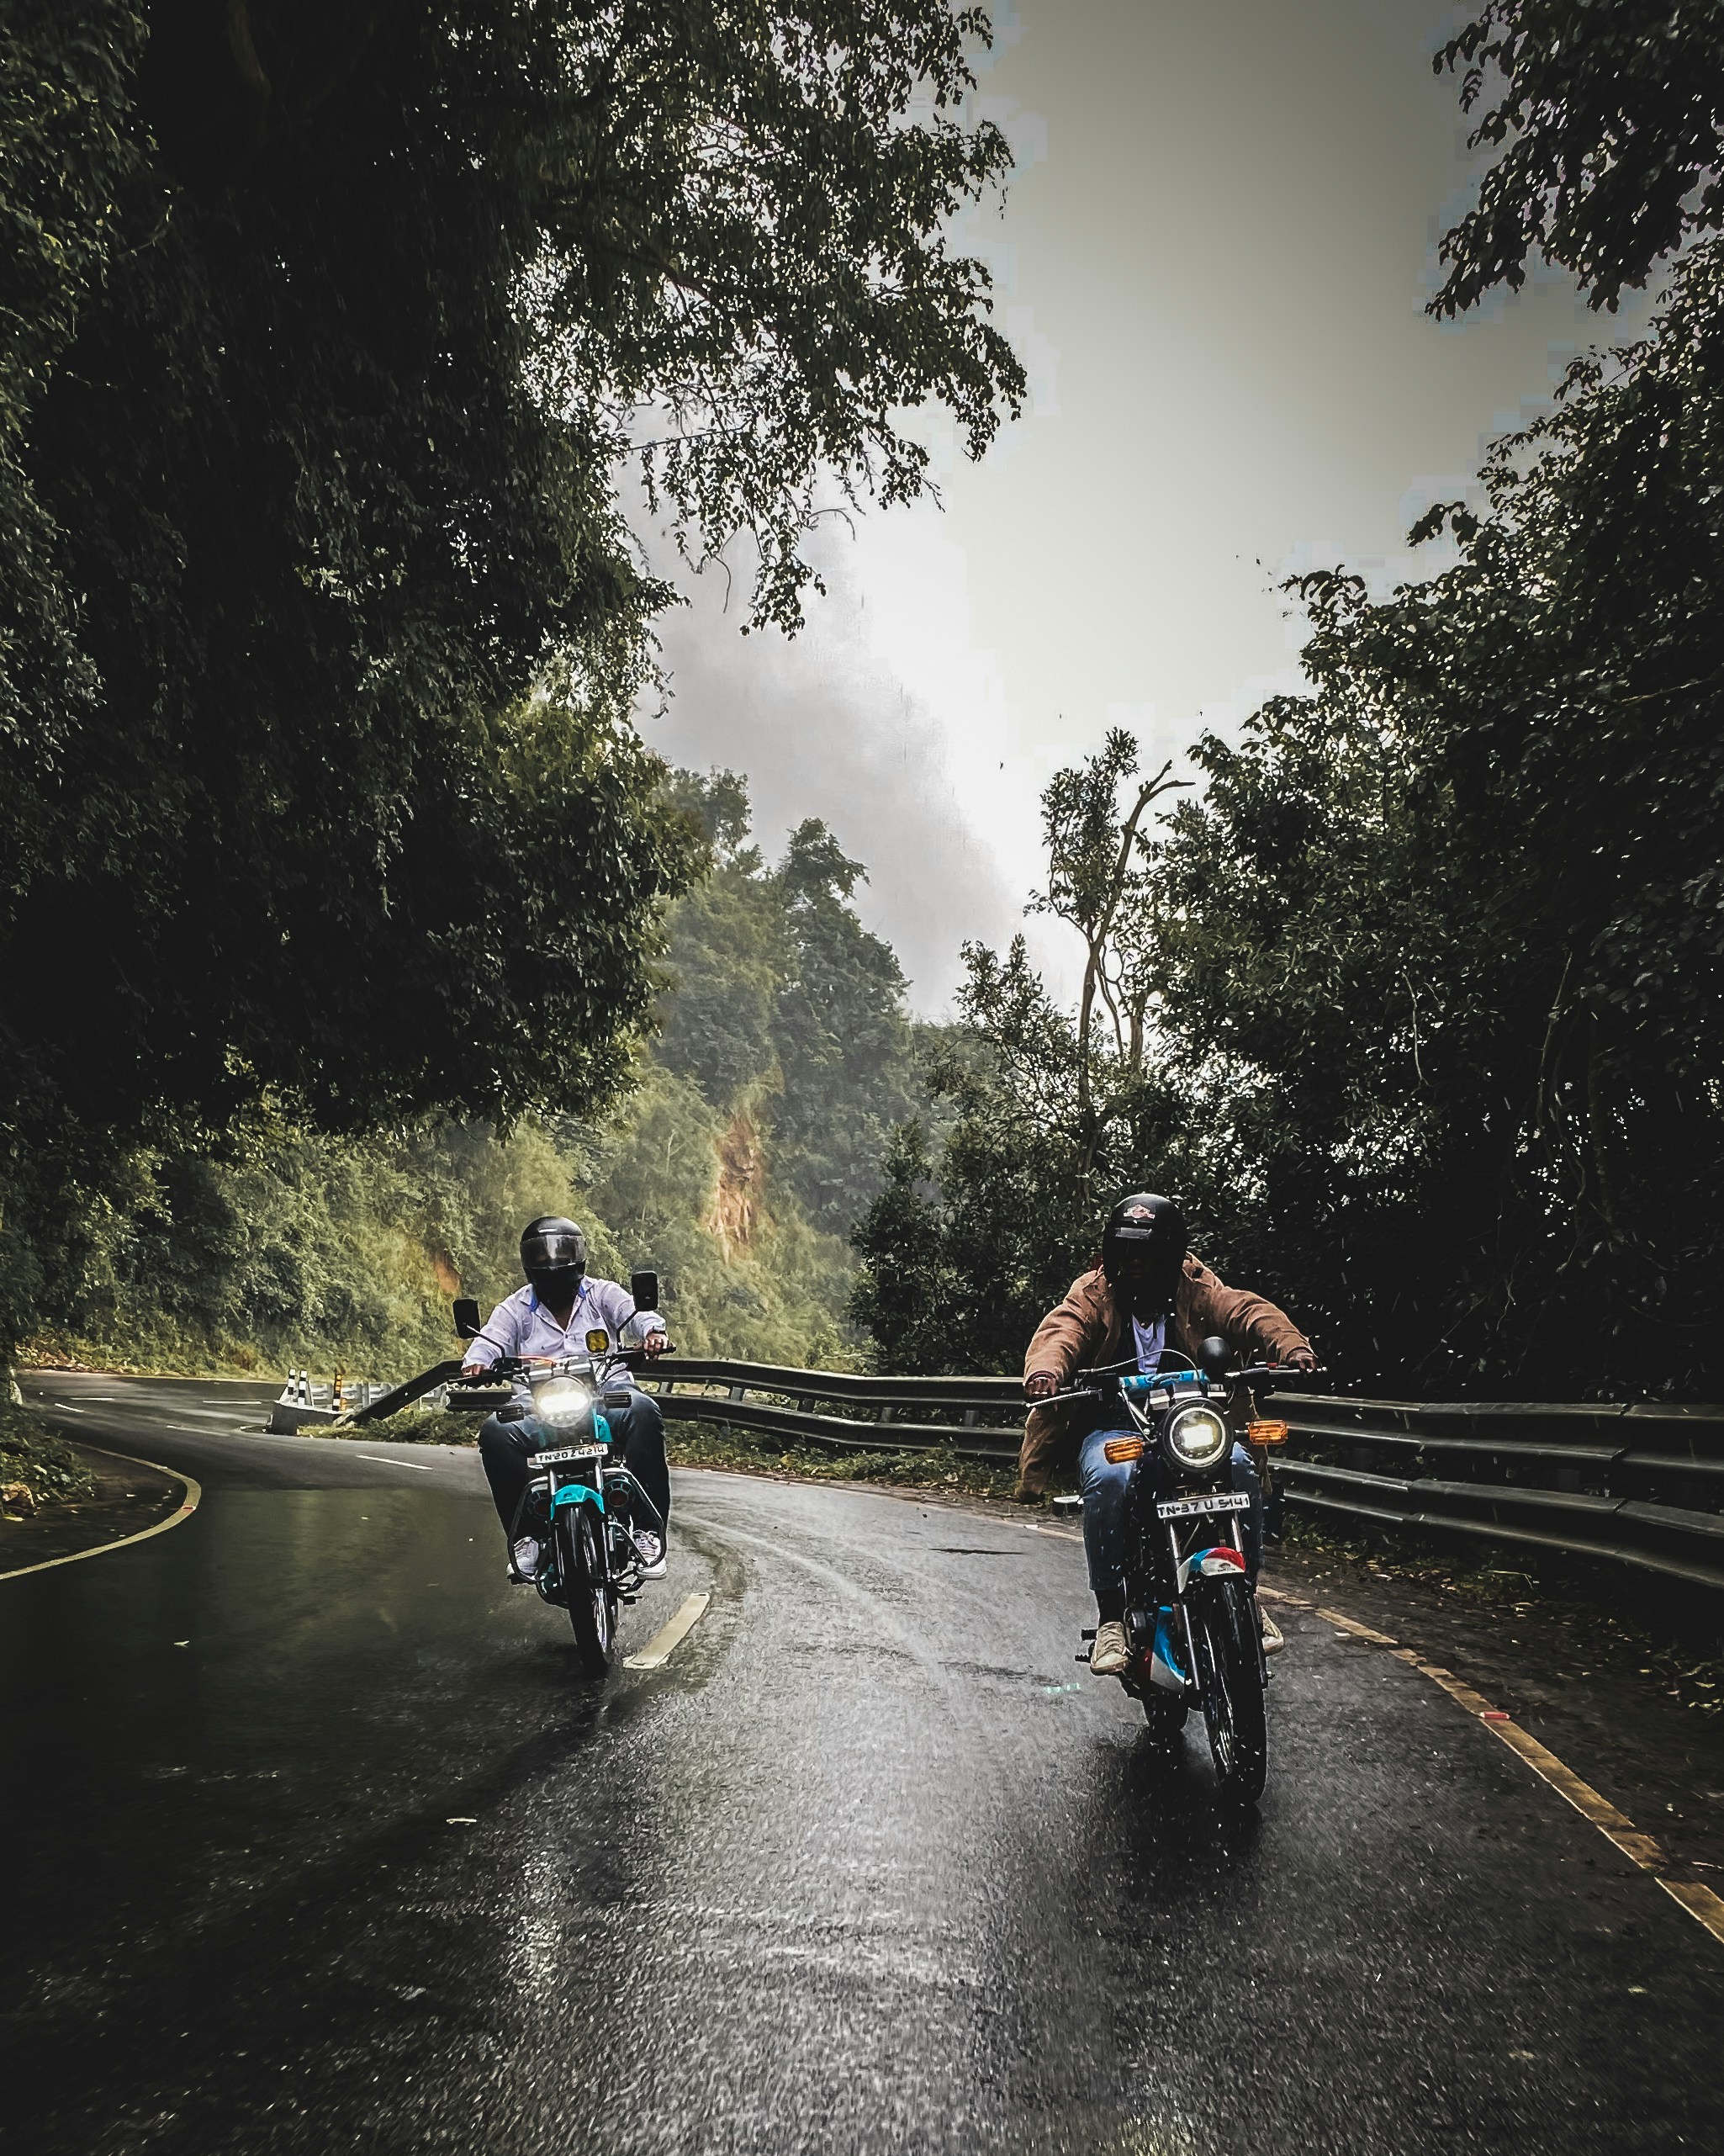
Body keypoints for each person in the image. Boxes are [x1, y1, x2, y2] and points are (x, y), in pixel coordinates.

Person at [1020, 1193, 1315, 1678]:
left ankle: (1248, 1596)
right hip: (1116, 1425)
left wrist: (1290, 1347)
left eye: (1148, 1252)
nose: (1134, 1262)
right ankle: (1111, 1618)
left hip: (1190, 1423)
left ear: (1173, 1255)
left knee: (1240, 1467)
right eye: (1125, 1251)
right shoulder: (1093, 1293)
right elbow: (1062, 1332)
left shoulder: (1198, 1288)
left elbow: (1245, 1310)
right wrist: (1047, 1372)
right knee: (1109, 1481)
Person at [464, 1216, 672, 1584]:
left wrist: (653, 1333)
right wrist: (478, 1362)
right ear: (529, 1262)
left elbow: (637, 1315)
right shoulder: (515, 1308)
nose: (552, 1261)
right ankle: (527, 1537)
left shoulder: (602, 1294)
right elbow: (489, 1340)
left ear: (579, 1257)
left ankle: (647, 1530)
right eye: (541, 1254)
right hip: (538, 1405)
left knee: (643, 1411)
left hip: (604, 1395)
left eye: (561, 1252)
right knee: (496, 1432)